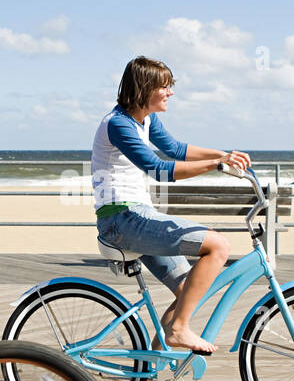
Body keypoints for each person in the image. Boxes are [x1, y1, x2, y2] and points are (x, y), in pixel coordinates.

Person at [91, 55, 251, 365]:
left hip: (135, 217)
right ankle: (178, 330)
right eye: (164, 87)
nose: (170, 93)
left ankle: (154, 373)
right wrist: (216, 165)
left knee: (188, 291)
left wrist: (225, 154)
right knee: (218, 246)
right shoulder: (118, 124)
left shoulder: (145, 119)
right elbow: (158, 168)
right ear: (144, 89)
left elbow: (175, 149)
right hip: (123, 219)